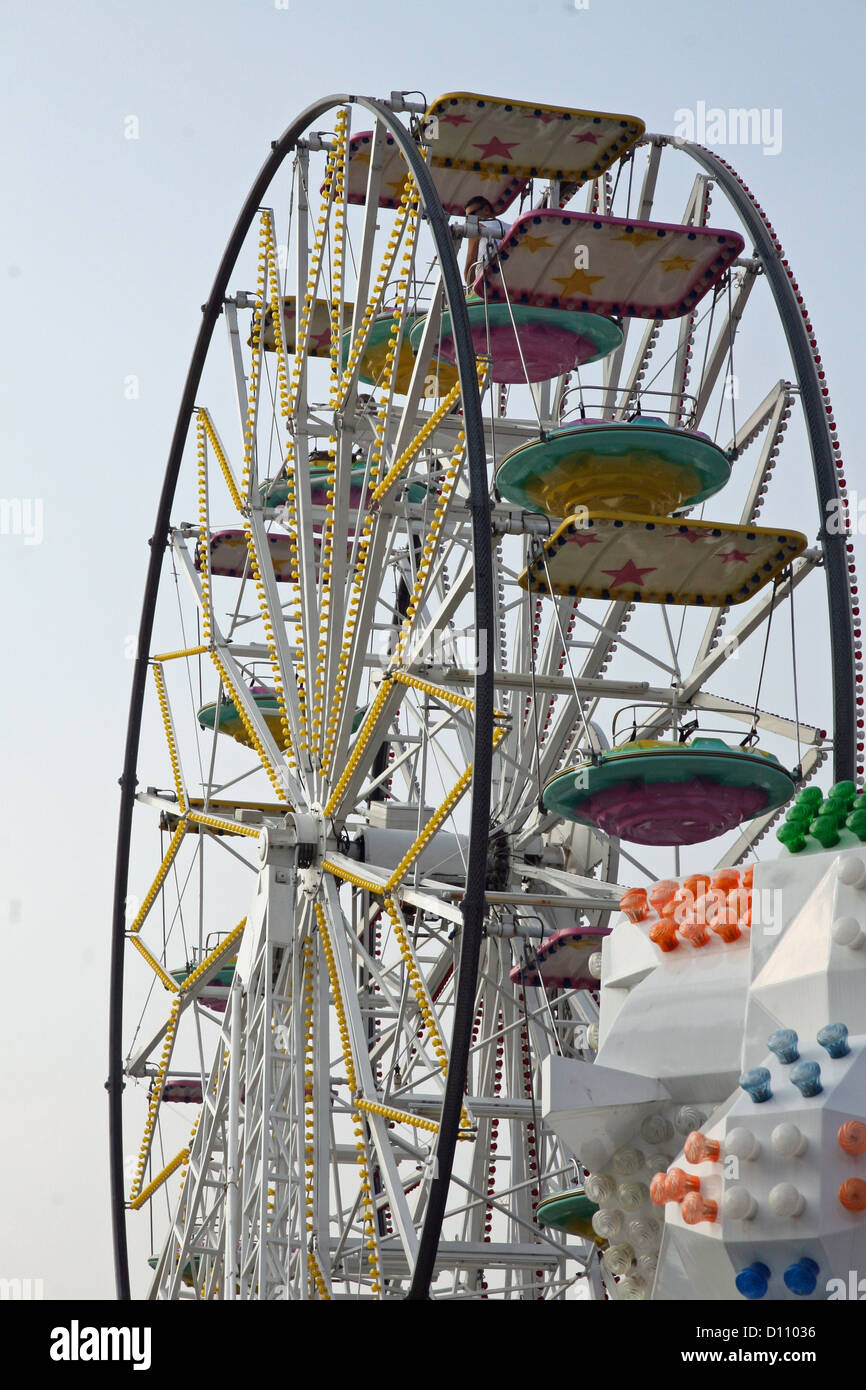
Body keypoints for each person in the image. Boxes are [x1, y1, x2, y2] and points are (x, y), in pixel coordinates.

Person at [463, 196, 512, 290]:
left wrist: (472, 290)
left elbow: (469, 271)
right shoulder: (511, 227)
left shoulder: (478, 228)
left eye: (471, 216)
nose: (469, 221)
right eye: (467, 218)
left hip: (487, 287)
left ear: (486, 210)